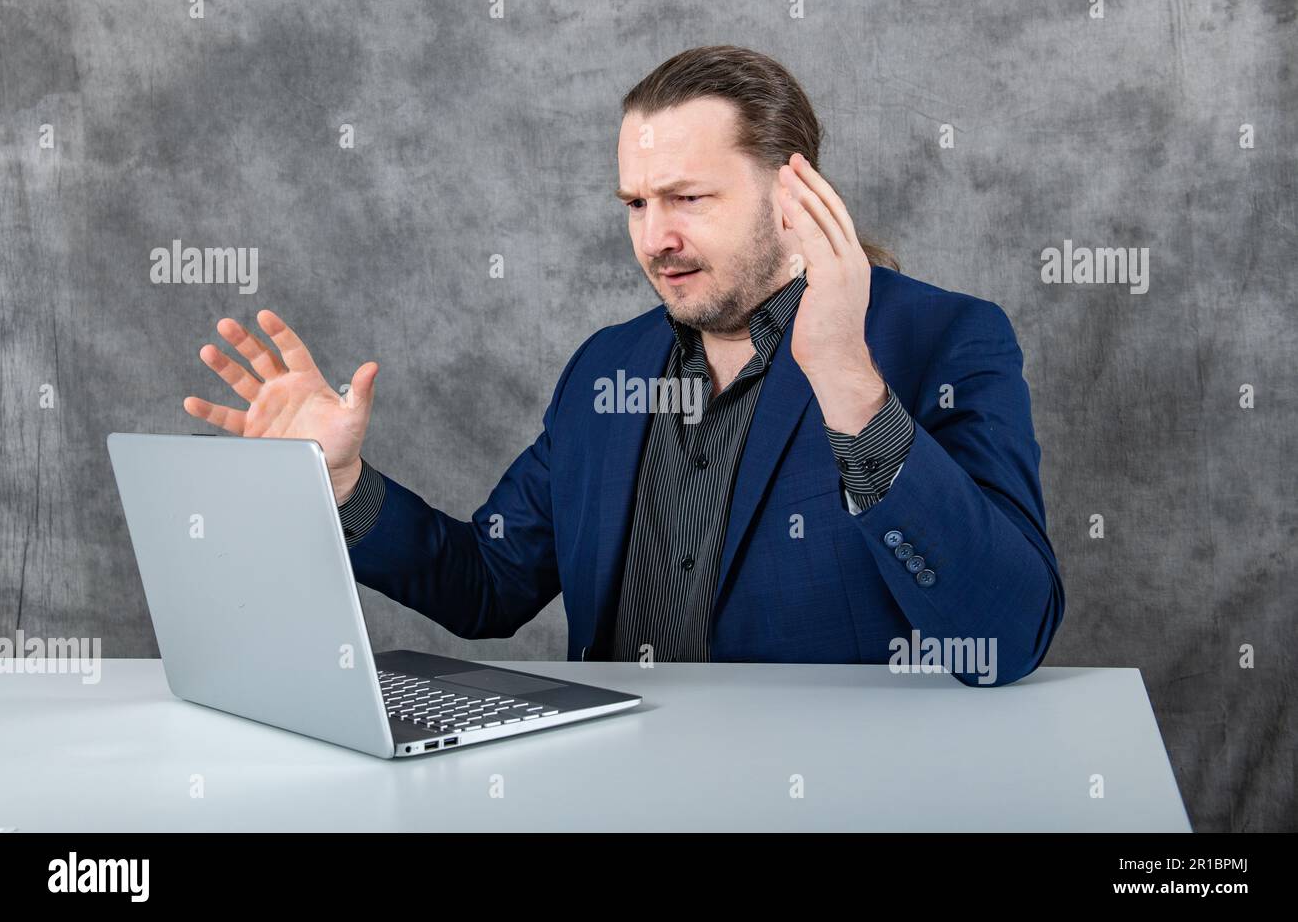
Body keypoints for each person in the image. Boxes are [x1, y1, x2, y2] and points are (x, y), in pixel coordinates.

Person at [184, 45, 1064, 685]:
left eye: (689, 198)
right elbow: (487, 586)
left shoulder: (946, 341)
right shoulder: (608, 368)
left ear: (793, 193)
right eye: (637, 203)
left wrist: (846, 381)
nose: (656, 239)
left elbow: (1008, 635)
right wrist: (341, 484)